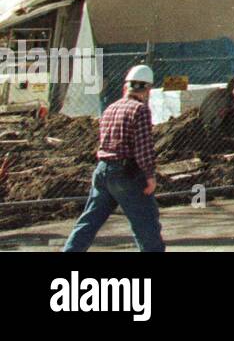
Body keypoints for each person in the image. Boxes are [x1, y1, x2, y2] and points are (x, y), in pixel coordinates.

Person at [63, 64, 165, 253]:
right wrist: (150, 176)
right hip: (127, 173)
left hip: (102, 170)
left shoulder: (110, 108)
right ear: (147, 89)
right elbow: (143, 148)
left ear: (126, 87)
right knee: (146, 223)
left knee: (89, 221)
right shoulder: (140, 110)